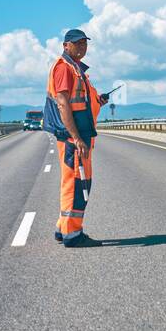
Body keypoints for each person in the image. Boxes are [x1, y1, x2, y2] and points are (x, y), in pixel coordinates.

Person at [47, 29, 109, 248]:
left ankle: (62, 228)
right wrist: (76, 138)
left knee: (74, 183)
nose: (82, 46)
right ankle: (73, 234)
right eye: (77, 43)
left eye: (84, 43)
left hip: (79, 136)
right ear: (66, 45)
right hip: (75, 139)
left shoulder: (75, 69)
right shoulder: (65, 68)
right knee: (77, 184)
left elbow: (79, 102)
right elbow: (63, 104)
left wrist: (97, 101)